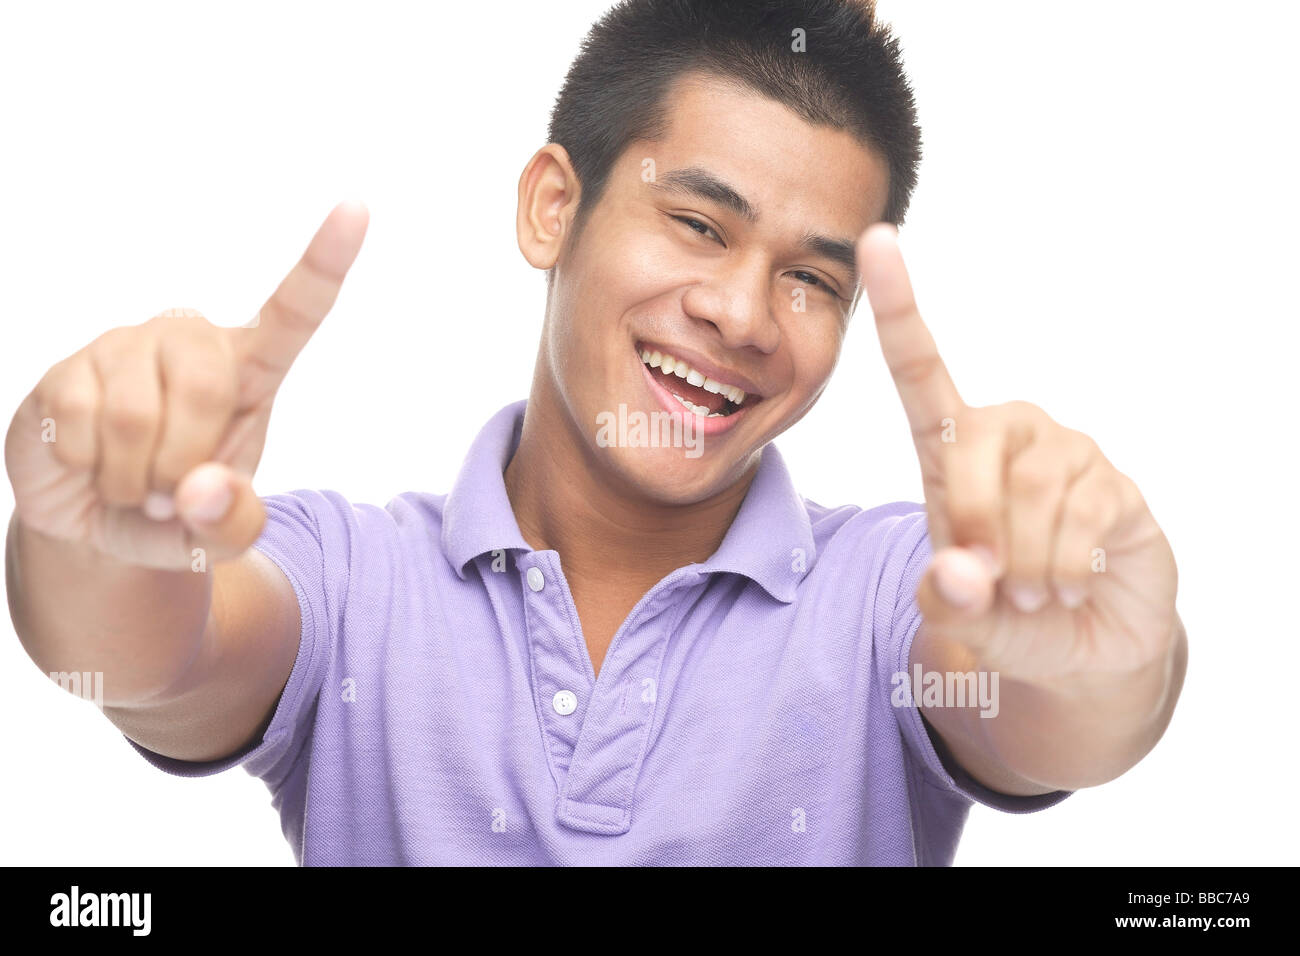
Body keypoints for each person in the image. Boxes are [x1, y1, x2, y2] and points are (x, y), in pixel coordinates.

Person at [5, 0, 1185, 865]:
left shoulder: (892, 596)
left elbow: (1055, 713)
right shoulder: (353, 583)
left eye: (813, 282)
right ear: (552, 206)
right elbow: (144, 652)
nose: (739, 314)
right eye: (696, 224)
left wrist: (1101, 658)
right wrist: (100, 532)